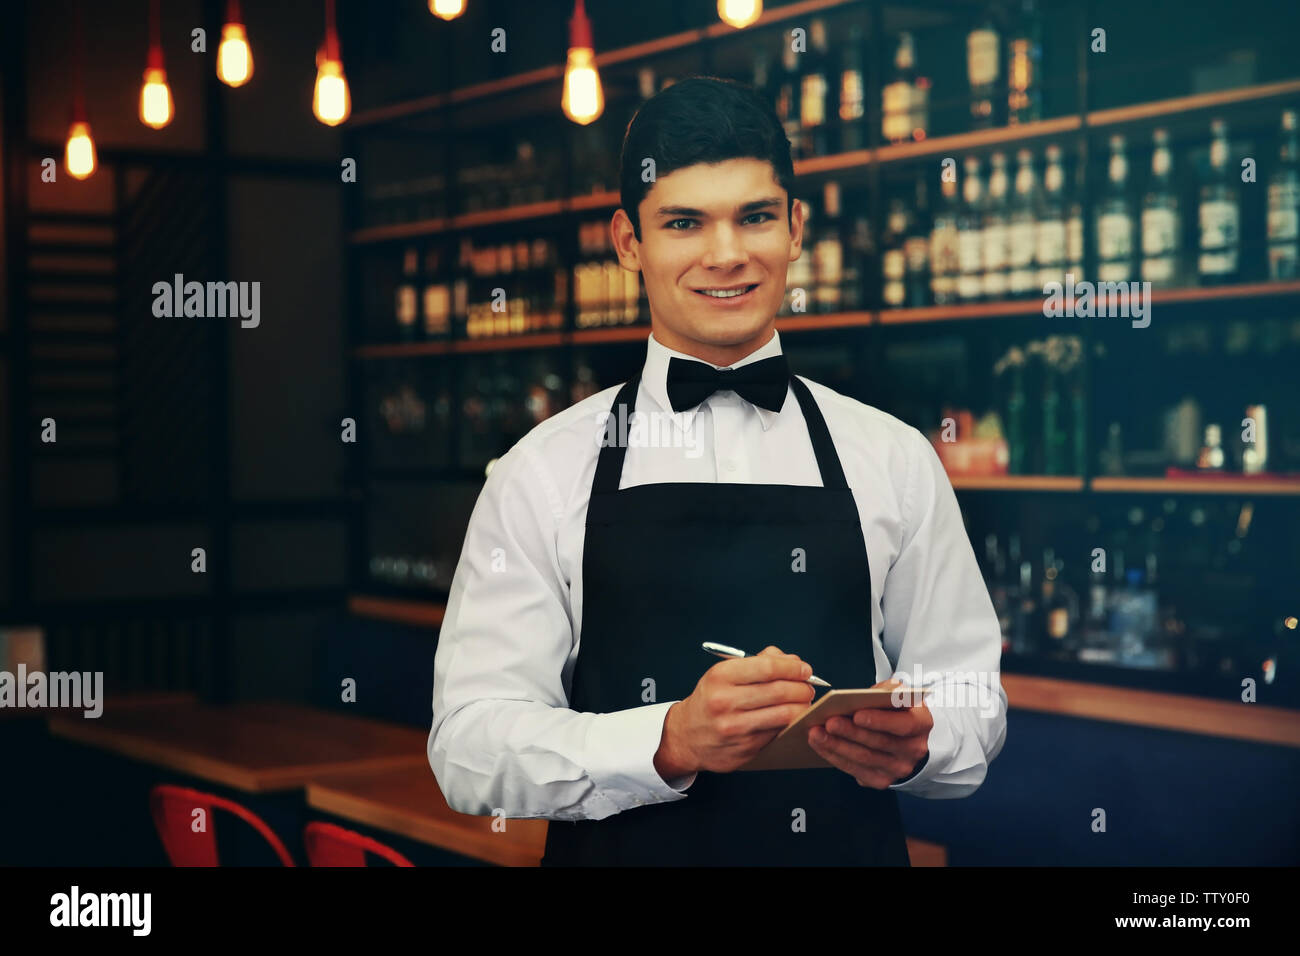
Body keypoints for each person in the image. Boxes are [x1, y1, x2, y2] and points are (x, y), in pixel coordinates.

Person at [429, 75, 1006, 866]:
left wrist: (924, 741)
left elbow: (973, 693)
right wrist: (668, 741)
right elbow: (467, 747)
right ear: (629, 243)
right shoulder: (540, 472)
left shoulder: (895, 457)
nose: (726, 254)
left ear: (796, 228)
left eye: (755, 217)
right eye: (684, 222)